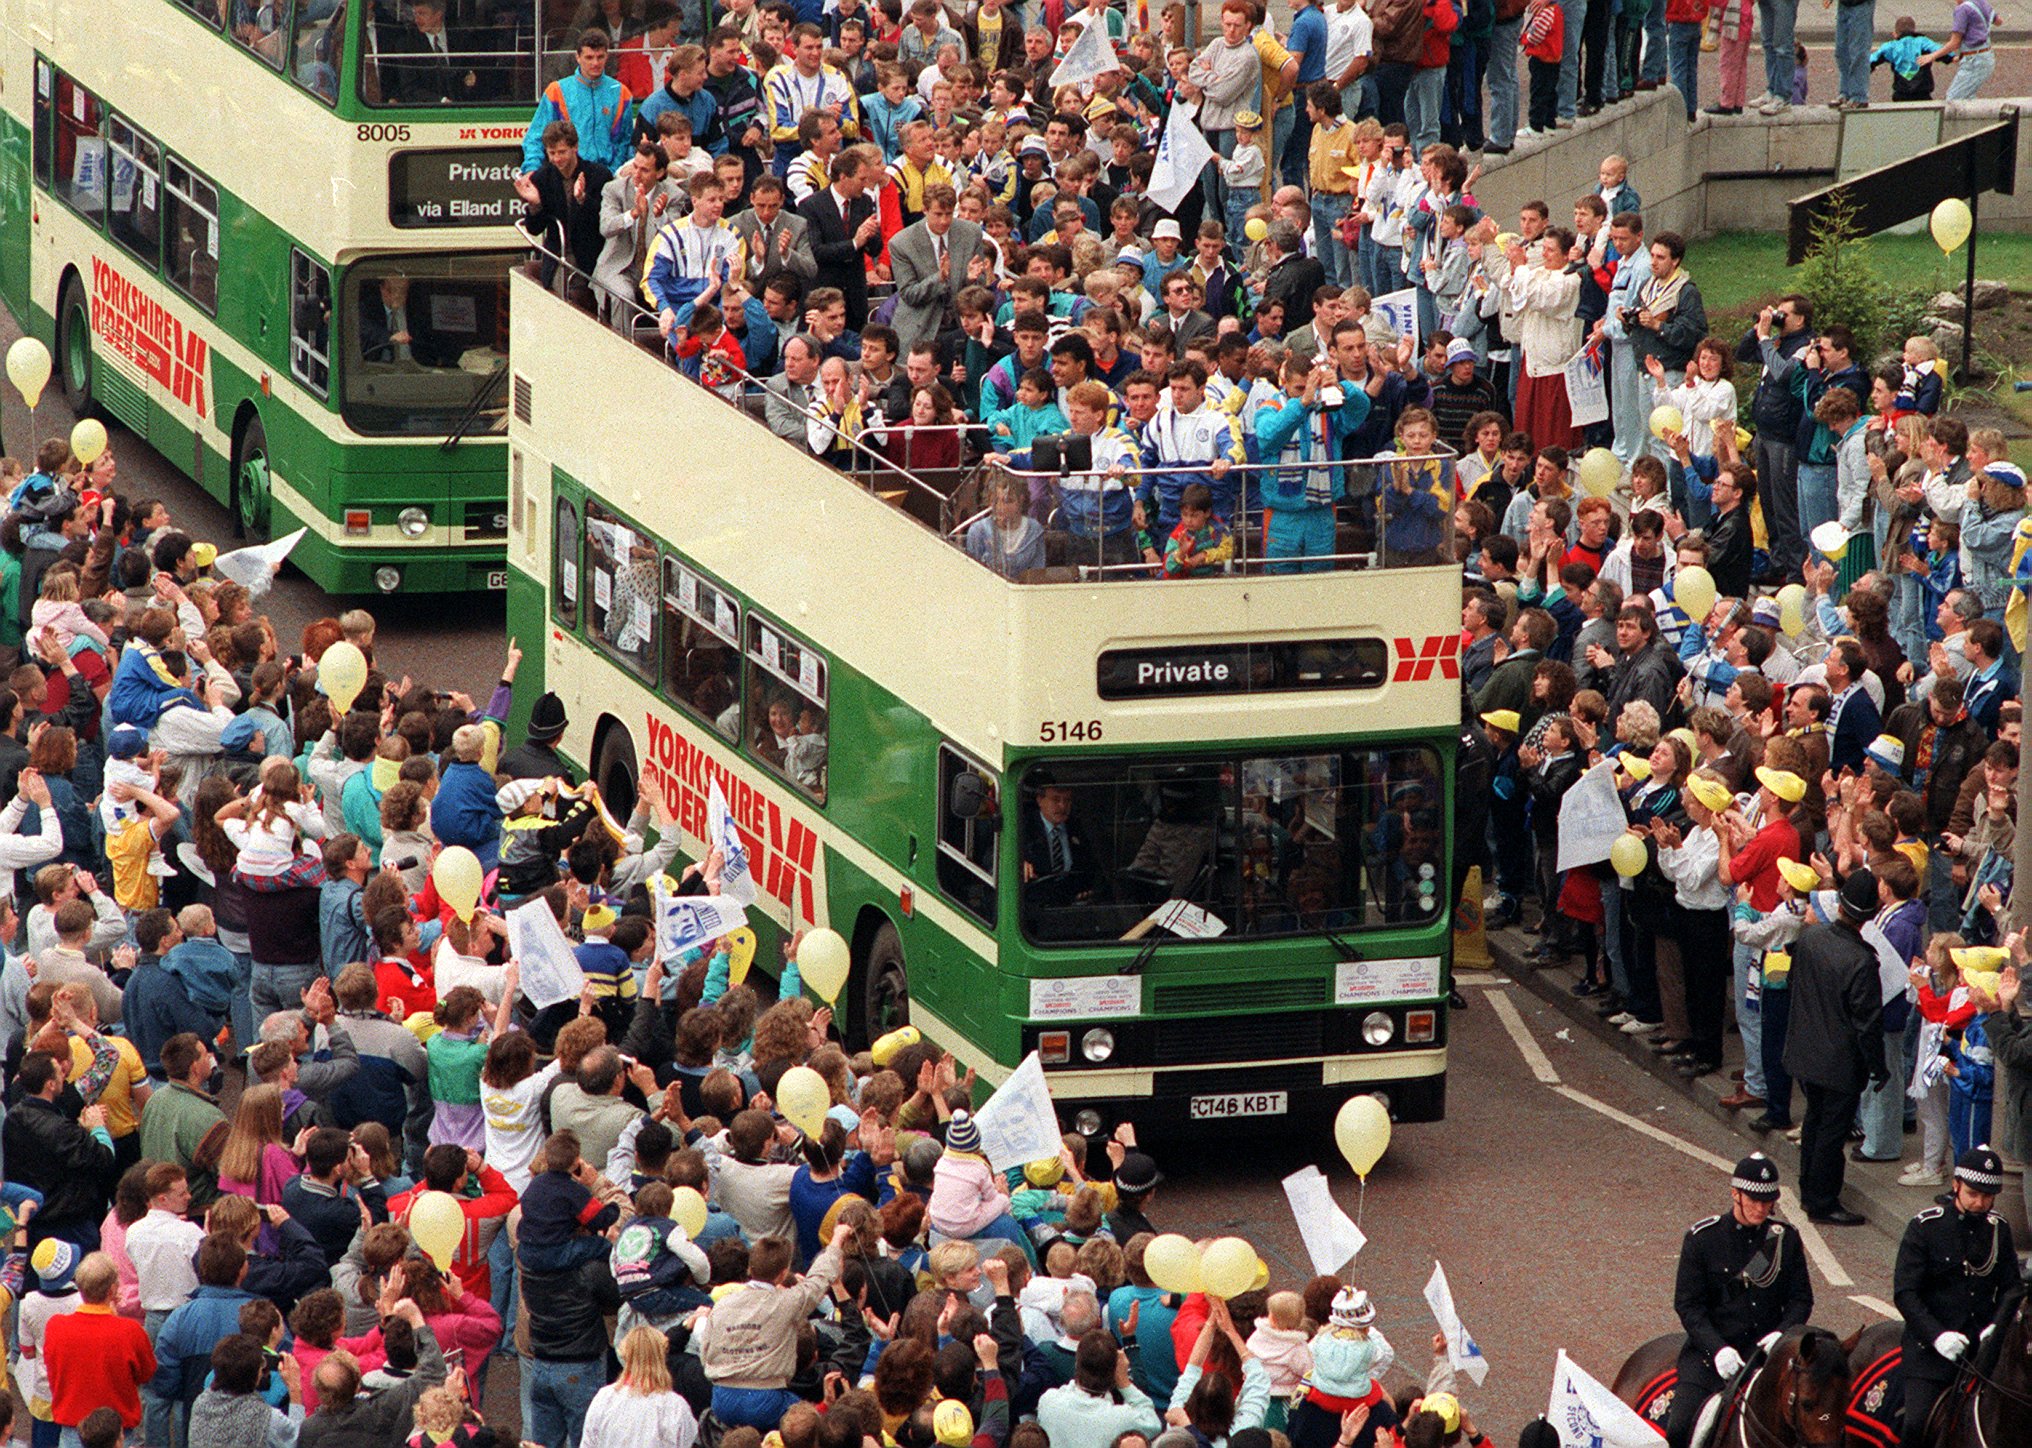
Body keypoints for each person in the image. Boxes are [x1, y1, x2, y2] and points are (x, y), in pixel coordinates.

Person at [1663, 1153, 1813, 1448]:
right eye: (1754, 1200)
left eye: (1768, 1201)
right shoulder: (1702, 1239)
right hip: (1712, 1358)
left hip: (1766, 1357)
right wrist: (1718, 1350)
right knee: (1679, 1430)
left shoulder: (1784, 1238)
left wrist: (1781, 1335)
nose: (1761, 1208)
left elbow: (1801, 1299)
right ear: (1735, 1194)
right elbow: (1689, 1306)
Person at [1891, 1145, 2021, 1447]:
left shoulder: (1998, 1229)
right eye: (1973, 1194)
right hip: (1931, 1352)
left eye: (1987, 1196)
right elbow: (1906, 1292)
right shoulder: (1926, 1227)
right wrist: (1938, 1336)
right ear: (1956, 1186)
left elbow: (2012, 1286)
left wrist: (1996, 1327)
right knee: (1916, 1423)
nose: (1980, 1203)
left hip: (1982, 1349)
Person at [1782, 868, 1890, 1226]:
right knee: (1831, 1131)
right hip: (1839, 1061)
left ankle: (1809, 1188)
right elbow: (1867, 1024)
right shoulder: (1861, 961)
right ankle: (1823, 1200)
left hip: (1805, 1051)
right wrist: (1878, 1066)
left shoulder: (1811, 939)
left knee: (1815, 1121)